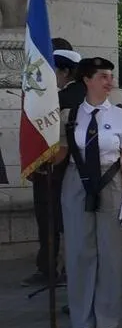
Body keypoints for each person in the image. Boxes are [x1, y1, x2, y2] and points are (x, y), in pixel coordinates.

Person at [59, 57, 122, 328]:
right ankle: (82, 320)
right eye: (103, 76)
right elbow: (60, 155)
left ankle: (106, 319)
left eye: (110, 76)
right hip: (76, 182)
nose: (110, 82)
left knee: (110, 252)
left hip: (110, 181)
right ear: (87, 80)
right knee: (79, 251)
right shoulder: (69, 116)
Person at [22, 42, 80, 287]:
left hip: (55, 169)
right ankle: (69, 268)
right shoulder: (82, 94)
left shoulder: (60, 99)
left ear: (65, 71)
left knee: (50, 221)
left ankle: (49, 269)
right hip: (74, 171)